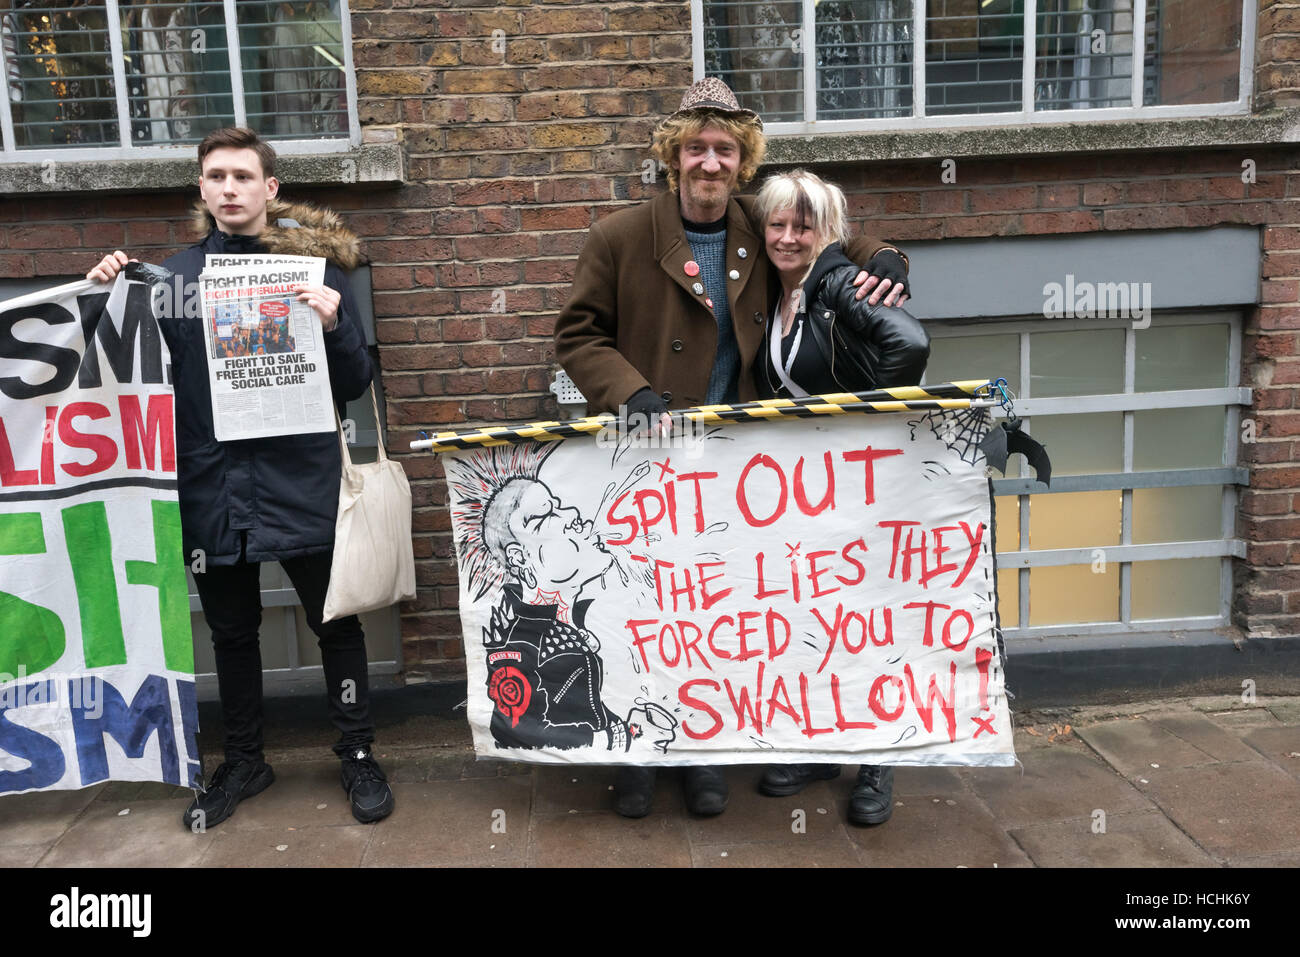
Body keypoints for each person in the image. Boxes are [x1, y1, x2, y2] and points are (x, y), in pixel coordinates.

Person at [553, 77, 912, 819]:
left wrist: (888, 259)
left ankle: (706, 755)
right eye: (695, 149)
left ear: (741, 160)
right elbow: (577, 335)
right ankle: (641, 757)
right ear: (673, 157)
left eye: (724, 149)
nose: (709, 163)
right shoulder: (619, 236)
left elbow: (834, 235)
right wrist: (632, 391)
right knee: (641, 609)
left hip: (735, 465)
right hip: (648, 454)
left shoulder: (761, 221)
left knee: (708, 610)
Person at [86, 127, 394, 829]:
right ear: (202, 188)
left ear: (270, 189)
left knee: (335, 620)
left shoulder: (317, 269)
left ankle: (357, 752)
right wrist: (106, 294)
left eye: (243, 177)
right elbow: (124, 377)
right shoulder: (168, 281)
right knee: (231, 631)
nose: (230, 189)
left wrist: (337, 322)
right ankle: (246, 758)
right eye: (217, 176)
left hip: (303, 477)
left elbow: (355, 382)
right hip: (215, 484)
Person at [752, 167, 930, 826]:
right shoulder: (778, 294)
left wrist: (862, 426)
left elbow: (908, 343)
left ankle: (879, 758)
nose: (789, 235)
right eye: (778, 223)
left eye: (804, 225)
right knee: (820, 617)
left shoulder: (835, 284)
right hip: (807, 492)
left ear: (828, 233)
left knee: (871, 620)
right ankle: (824, 748)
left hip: (862, 481)